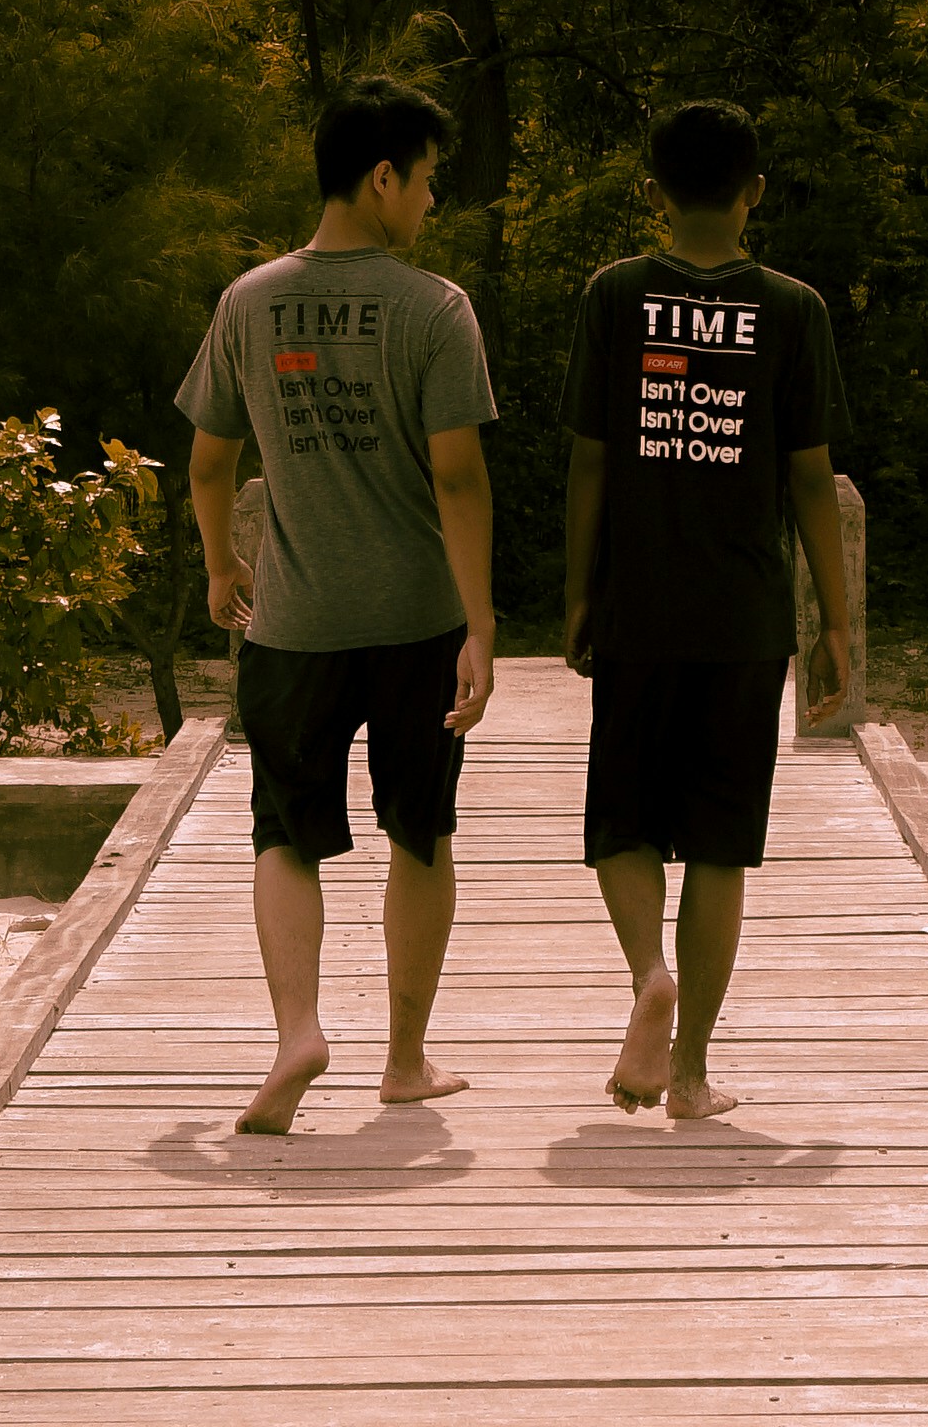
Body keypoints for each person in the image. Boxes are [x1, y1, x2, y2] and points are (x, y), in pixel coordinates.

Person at [182, 83, 499, 1138]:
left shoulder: (248, 302)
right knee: (421, 832)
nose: (430, 203)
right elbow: (459, 480)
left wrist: (224, 566)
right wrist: (483, 625)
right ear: (382, 178)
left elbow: (209, 458)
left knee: (285, 830)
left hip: (293, 625)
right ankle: (405, 1061)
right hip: (416, 621)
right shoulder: (435, 309)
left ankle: (298, 1033)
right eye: (427, 180)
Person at [563, 100, 861, 1120]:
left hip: (639, 604)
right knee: (722, 843)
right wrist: (834, 615)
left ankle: (648, 971)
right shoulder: (791, 310)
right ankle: (688, 1073)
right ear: (754, 194)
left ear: (653, 193)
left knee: (623, 822)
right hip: (743, 616)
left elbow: (591, 460)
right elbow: (812, 478)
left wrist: (576, 590)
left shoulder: (613, 298)